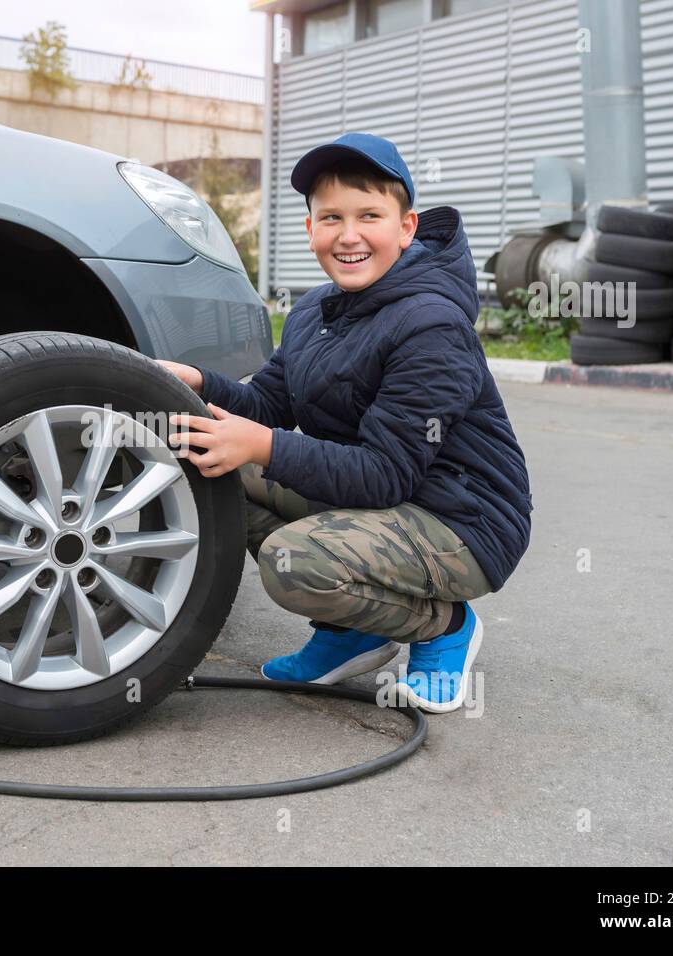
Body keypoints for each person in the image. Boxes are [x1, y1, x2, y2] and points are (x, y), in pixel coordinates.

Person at [157, 132, 533, 713]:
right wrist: (200, 382)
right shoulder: (315, 310)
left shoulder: (432, 325)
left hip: (461, 520)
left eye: (369, 216)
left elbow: (385, 474)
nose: (348, 235)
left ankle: (443, 626)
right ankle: (350, 629)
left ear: (406, 228)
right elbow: (268, 405)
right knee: (210, 466)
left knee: (294, 562)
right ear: (310, 230)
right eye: (330, 217)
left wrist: (259, 444)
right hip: (387, 502)